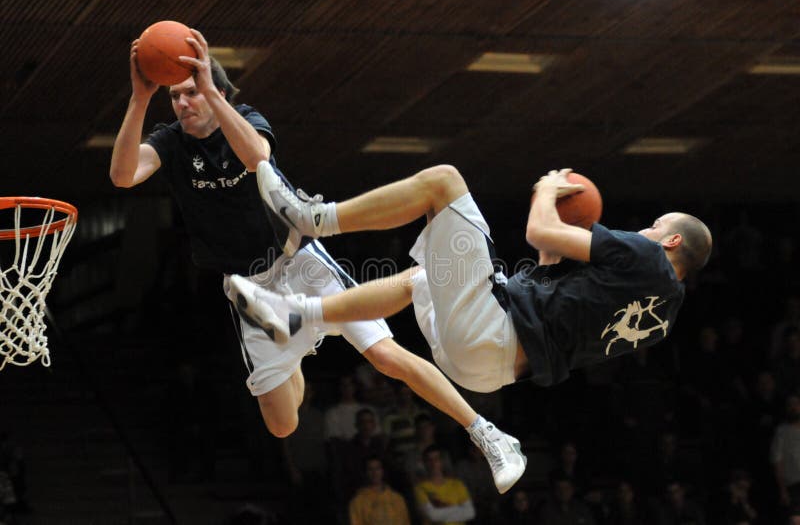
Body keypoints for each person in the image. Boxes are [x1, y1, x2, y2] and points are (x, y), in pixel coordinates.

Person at [108, 28, 524, 493]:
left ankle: (490, 434)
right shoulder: (170, 141)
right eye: (175, 97)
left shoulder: (245, 118)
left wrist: (209, 92)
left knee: (387, 357)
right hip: (251, 290)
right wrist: (140, 96)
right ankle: (301, 344)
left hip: (300, 259)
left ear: (215, 89)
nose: (182, 104)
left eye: (190, 93)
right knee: (283, 425)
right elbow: (123, 175)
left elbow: (256, 157)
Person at [227, 163, 712, 397]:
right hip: (488, 374)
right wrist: (560, 242)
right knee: (420, 280)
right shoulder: (663, 318)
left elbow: (537, 230)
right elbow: (549, 270)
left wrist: (545, 191)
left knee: (444, 181)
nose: (647, 230)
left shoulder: (648, 257)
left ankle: (314, 217)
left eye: (656, 226)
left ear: (670, 243)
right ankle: (298, 316)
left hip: (492, 329)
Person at [413, 445, 475, 525]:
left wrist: (440, 511)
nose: (433, 463)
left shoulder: (457, 484)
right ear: (424, 463)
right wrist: (458, 509)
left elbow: (470, 513)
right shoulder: (420, 488)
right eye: (429, 460)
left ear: (441, 461)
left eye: (436, 459)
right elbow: (432, 515)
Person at [348, 456, 411, 525]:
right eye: (370, 469)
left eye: (377, 468)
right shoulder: (358, 501)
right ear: (365, 473)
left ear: (382, 471)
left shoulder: (397, 499)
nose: (374, 473)